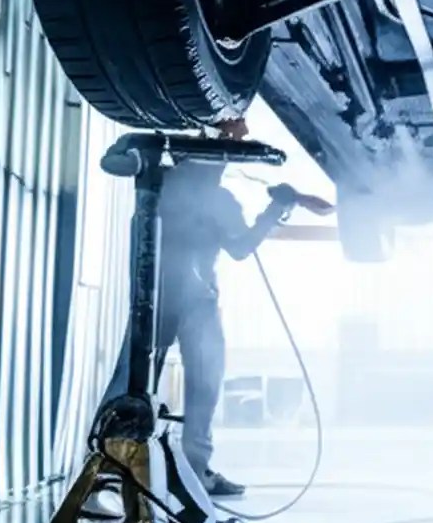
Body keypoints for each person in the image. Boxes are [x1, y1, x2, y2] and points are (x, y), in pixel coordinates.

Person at [98, 149, 332, 498]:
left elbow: (112, 163)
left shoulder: (161, 183)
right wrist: (276, 209)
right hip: (188, 300)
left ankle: (113, 464)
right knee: (199, 385)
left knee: (135, 379)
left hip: (157, 296)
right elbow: (240, 247)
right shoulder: (203, 194)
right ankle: (184, 471)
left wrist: (277, 208)